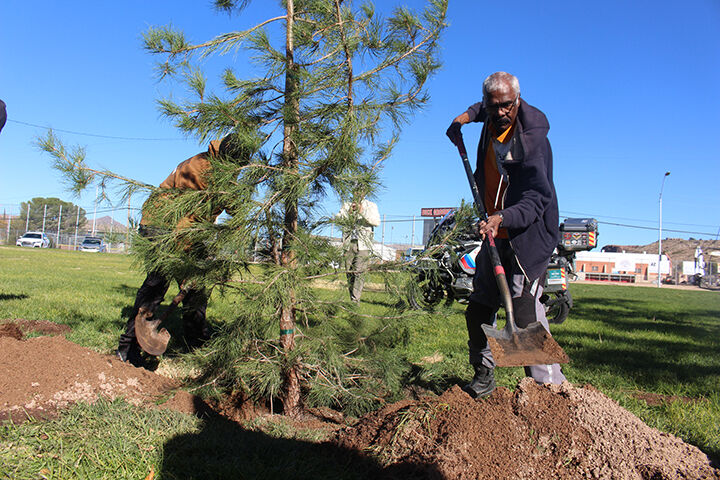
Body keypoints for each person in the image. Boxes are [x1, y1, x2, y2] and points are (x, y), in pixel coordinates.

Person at [446, 71, 566, 398]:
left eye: (507, 106)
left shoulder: (532, 140)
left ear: (518, 101)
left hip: (528, 235)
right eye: (493, 106)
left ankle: (551, 394)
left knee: (525, 312)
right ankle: (484, 378)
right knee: (480, 307)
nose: (500, 113)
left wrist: (503, 216)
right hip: (494, 232)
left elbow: (537, 199)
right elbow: (483, 110)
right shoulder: (491, 115)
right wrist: (466, 118)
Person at [116, 140, 224, 367]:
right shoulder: (200, 169)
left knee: (196, 290)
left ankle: (196, 346)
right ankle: (128, 347)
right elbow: (185, 223)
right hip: (162, 226)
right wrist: (190, 266)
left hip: (184, 230)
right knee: (157, 283)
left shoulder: (223, 172)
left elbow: (228, 205)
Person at [337, 190, 381, 302]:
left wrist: (362, 212)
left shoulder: (371, 206)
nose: (357, 193)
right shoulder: (347, 205)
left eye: (360, 190)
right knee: (349, 273)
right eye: (355, 190)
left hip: (363, 244)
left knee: (359, 272)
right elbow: (338, 219)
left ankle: (355, 300)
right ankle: (352, 297)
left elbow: (376, 222)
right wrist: (349, 212)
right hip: (349, 243)